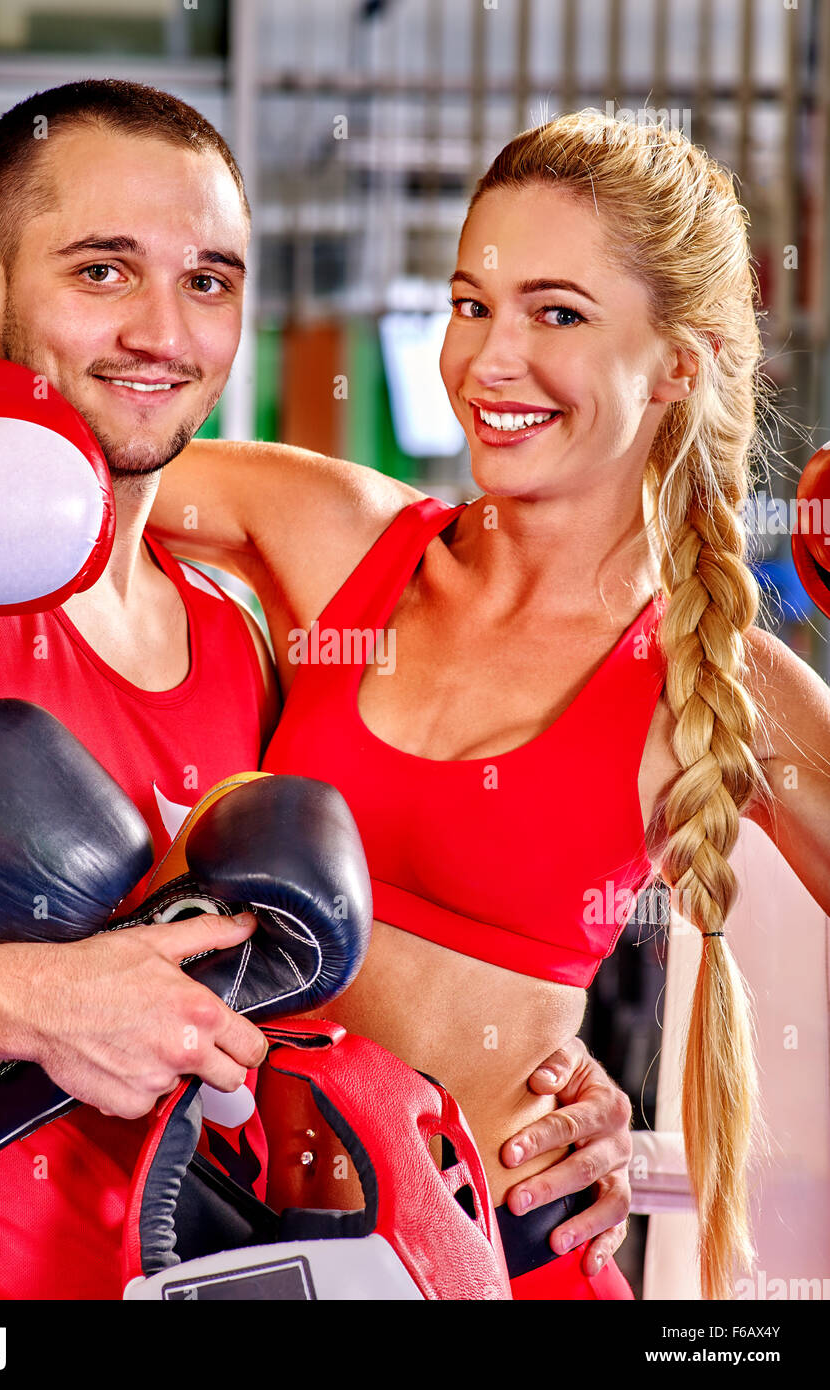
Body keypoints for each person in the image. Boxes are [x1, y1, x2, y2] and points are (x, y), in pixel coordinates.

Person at [0, 82, 631, 1300]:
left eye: (208, 281)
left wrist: (540, 1086)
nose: (164, 332)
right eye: (103, 272)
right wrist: (26, 1001)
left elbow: (287, 996)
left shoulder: (241, 641)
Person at [146, 110, 830, 1298]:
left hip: (504, 1271)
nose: (487, 361)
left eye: (556, 314)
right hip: (239, 1246)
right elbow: (27, 466)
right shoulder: (336, 537)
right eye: (471, 305)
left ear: (682, 361)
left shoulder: (709, 679)